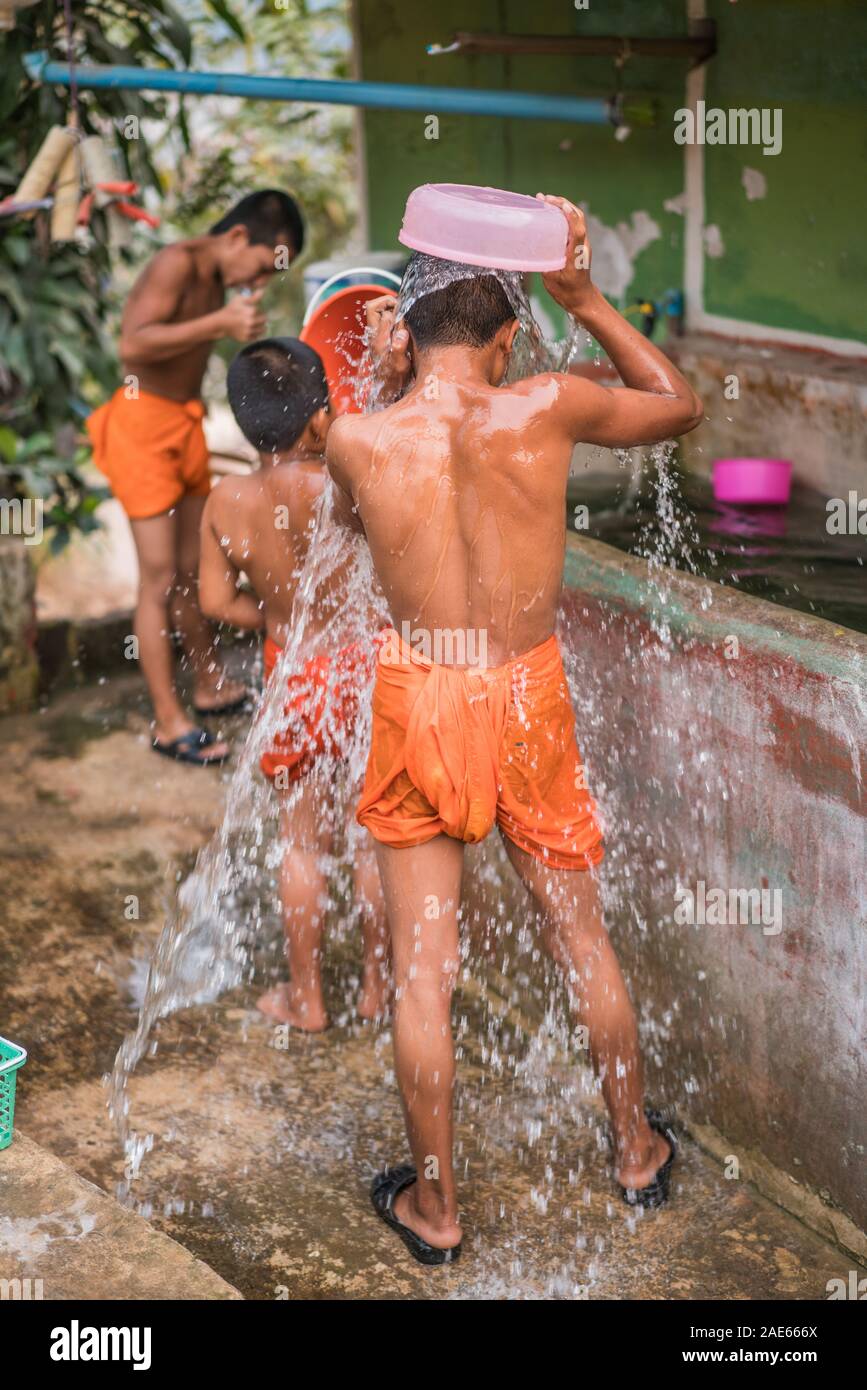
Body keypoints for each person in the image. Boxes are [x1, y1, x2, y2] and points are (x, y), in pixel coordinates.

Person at [326, 196, 703, 1264]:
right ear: (505, 335)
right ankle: (635, 1151)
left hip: (420, 695)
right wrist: (584, 296)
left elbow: (356, 528)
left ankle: (436, 1212)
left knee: (422, 975)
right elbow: (679, 405)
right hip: (526, 692)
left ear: (409, 330)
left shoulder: (357, 438)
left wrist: (387, 378)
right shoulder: (547, 402)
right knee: (581, 935)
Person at [199, 336, 389, 1029]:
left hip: (294, 674)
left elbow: (216, 605)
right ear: (319, 422)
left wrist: (280, 621)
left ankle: (306, 998)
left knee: (302, 842)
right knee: (372, 836)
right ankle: (376, 991)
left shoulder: (226, 499)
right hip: (368, 666)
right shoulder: (341, 486)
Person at [87, 190, 305, 766]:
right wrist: (221, 320)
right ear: (238, 238)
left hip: (184, 425)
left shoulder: (215, 280)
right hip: (141, 427)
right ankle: (168, 721)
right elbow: (133, 342)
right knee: (158, 579)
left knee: (192, 569)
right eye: (262, 264)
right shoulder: (177, 263)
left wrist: (233, 322)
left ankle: (208, 685)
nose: (257, 278)